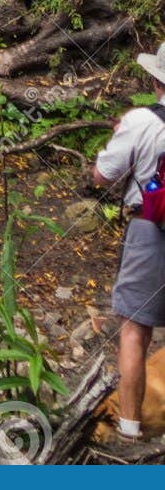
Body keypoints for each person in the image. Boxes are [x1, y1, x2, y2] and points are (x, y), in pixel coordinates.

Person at [94, 40, 165, 438]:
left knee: (135, 329)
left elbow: (103, 175)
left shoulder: (142, 120)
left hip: (150, 230)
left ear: (156, 78)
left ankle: (130, 427)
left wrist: (122, 134)